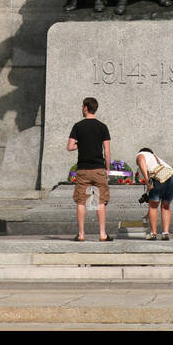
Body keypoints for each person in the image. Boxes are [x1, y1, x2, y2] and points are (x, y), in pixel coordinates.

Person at [67, 97, 114, 242]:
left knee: (81, 201)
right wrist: (107, 169)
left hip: (83, 169)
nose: (82, 108)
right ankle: (102, 234)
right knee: (101, 201)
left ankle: (81, 234)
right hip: (99, 168)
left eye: (82, 106)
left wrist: (81, 144)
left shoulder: (78, 126)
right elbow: (107, 152)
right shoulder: (102, 126)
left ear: (86, 107)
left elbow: (70, 147)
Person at [135, 147, 173, 240]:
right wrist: (148, 215)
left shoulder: (141, 154)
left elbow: (140, 159)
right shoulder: (158, 159)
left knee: (153, 207)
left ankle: (153, 233)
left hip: (159, 178)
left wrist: (147, 181)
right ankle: (165, 233)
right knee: (165, 206)